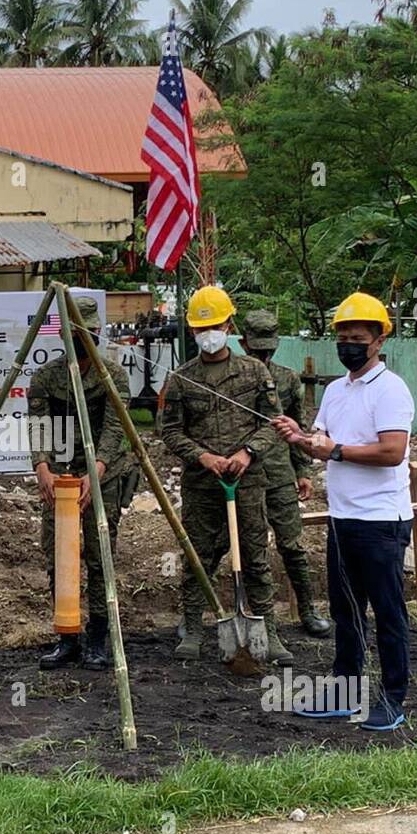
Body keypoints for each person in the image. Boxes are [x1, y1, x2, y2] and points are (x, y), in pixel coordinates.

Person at [273, 293, 414, 732]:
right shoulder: (336, 389)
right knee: (345, 611)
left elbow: (392, 452)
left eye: (357, 338)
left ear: (377, 340)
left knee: (388, 613)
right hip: (342, 518)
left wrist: (334, 449)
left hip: (382, 521)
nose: (348, 345)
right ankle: (344, 691)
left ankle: (392, 698)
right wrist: (299, 437)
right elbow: (322, 442)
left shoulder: (392, 390)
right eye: (342, 337)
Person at [161, 285, 289, 667]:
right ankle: (193, 629)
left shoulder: (254, 371)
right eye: (201, 329)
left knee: (254, 556)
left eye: (215, 326)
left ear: (230, 325)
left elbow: (273, 423)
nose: (208, 334)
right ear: (192, 332)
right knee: (198, 556)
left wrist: (246, 453)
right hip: (202, 484)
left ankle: (268, 631)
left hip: (246, 482)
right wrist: (202, 456)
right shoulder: (182, 378)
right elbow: (170, 431)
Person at [27, 294, 131, 670]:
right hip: (59, 480)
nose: (79, 338)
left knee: (99, 557)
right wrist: (42, 467)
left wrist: (97, 469)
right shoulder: (46, 377)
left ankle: (99, 637)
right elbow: (38, 426)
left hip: (103, 476)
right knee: (59, 557)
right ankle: (67, 636)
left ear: (97, 333)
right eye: (72, 332)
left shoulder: (112, 375)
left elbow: (116, 428)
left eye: (85, 332)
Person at [239, 310, 332, 638]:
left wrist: (303, 470)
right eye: (257, 350)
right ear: (243, 343)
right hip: (244, 474)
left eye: (268, 350)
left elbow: (297, 428)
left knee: (292, 545)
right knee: (239, 546)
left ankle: (307, 609)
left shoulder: (289, 379)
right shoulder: (234, 377)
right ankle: (242, 614)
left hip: (279, 474)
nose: (263, 356)